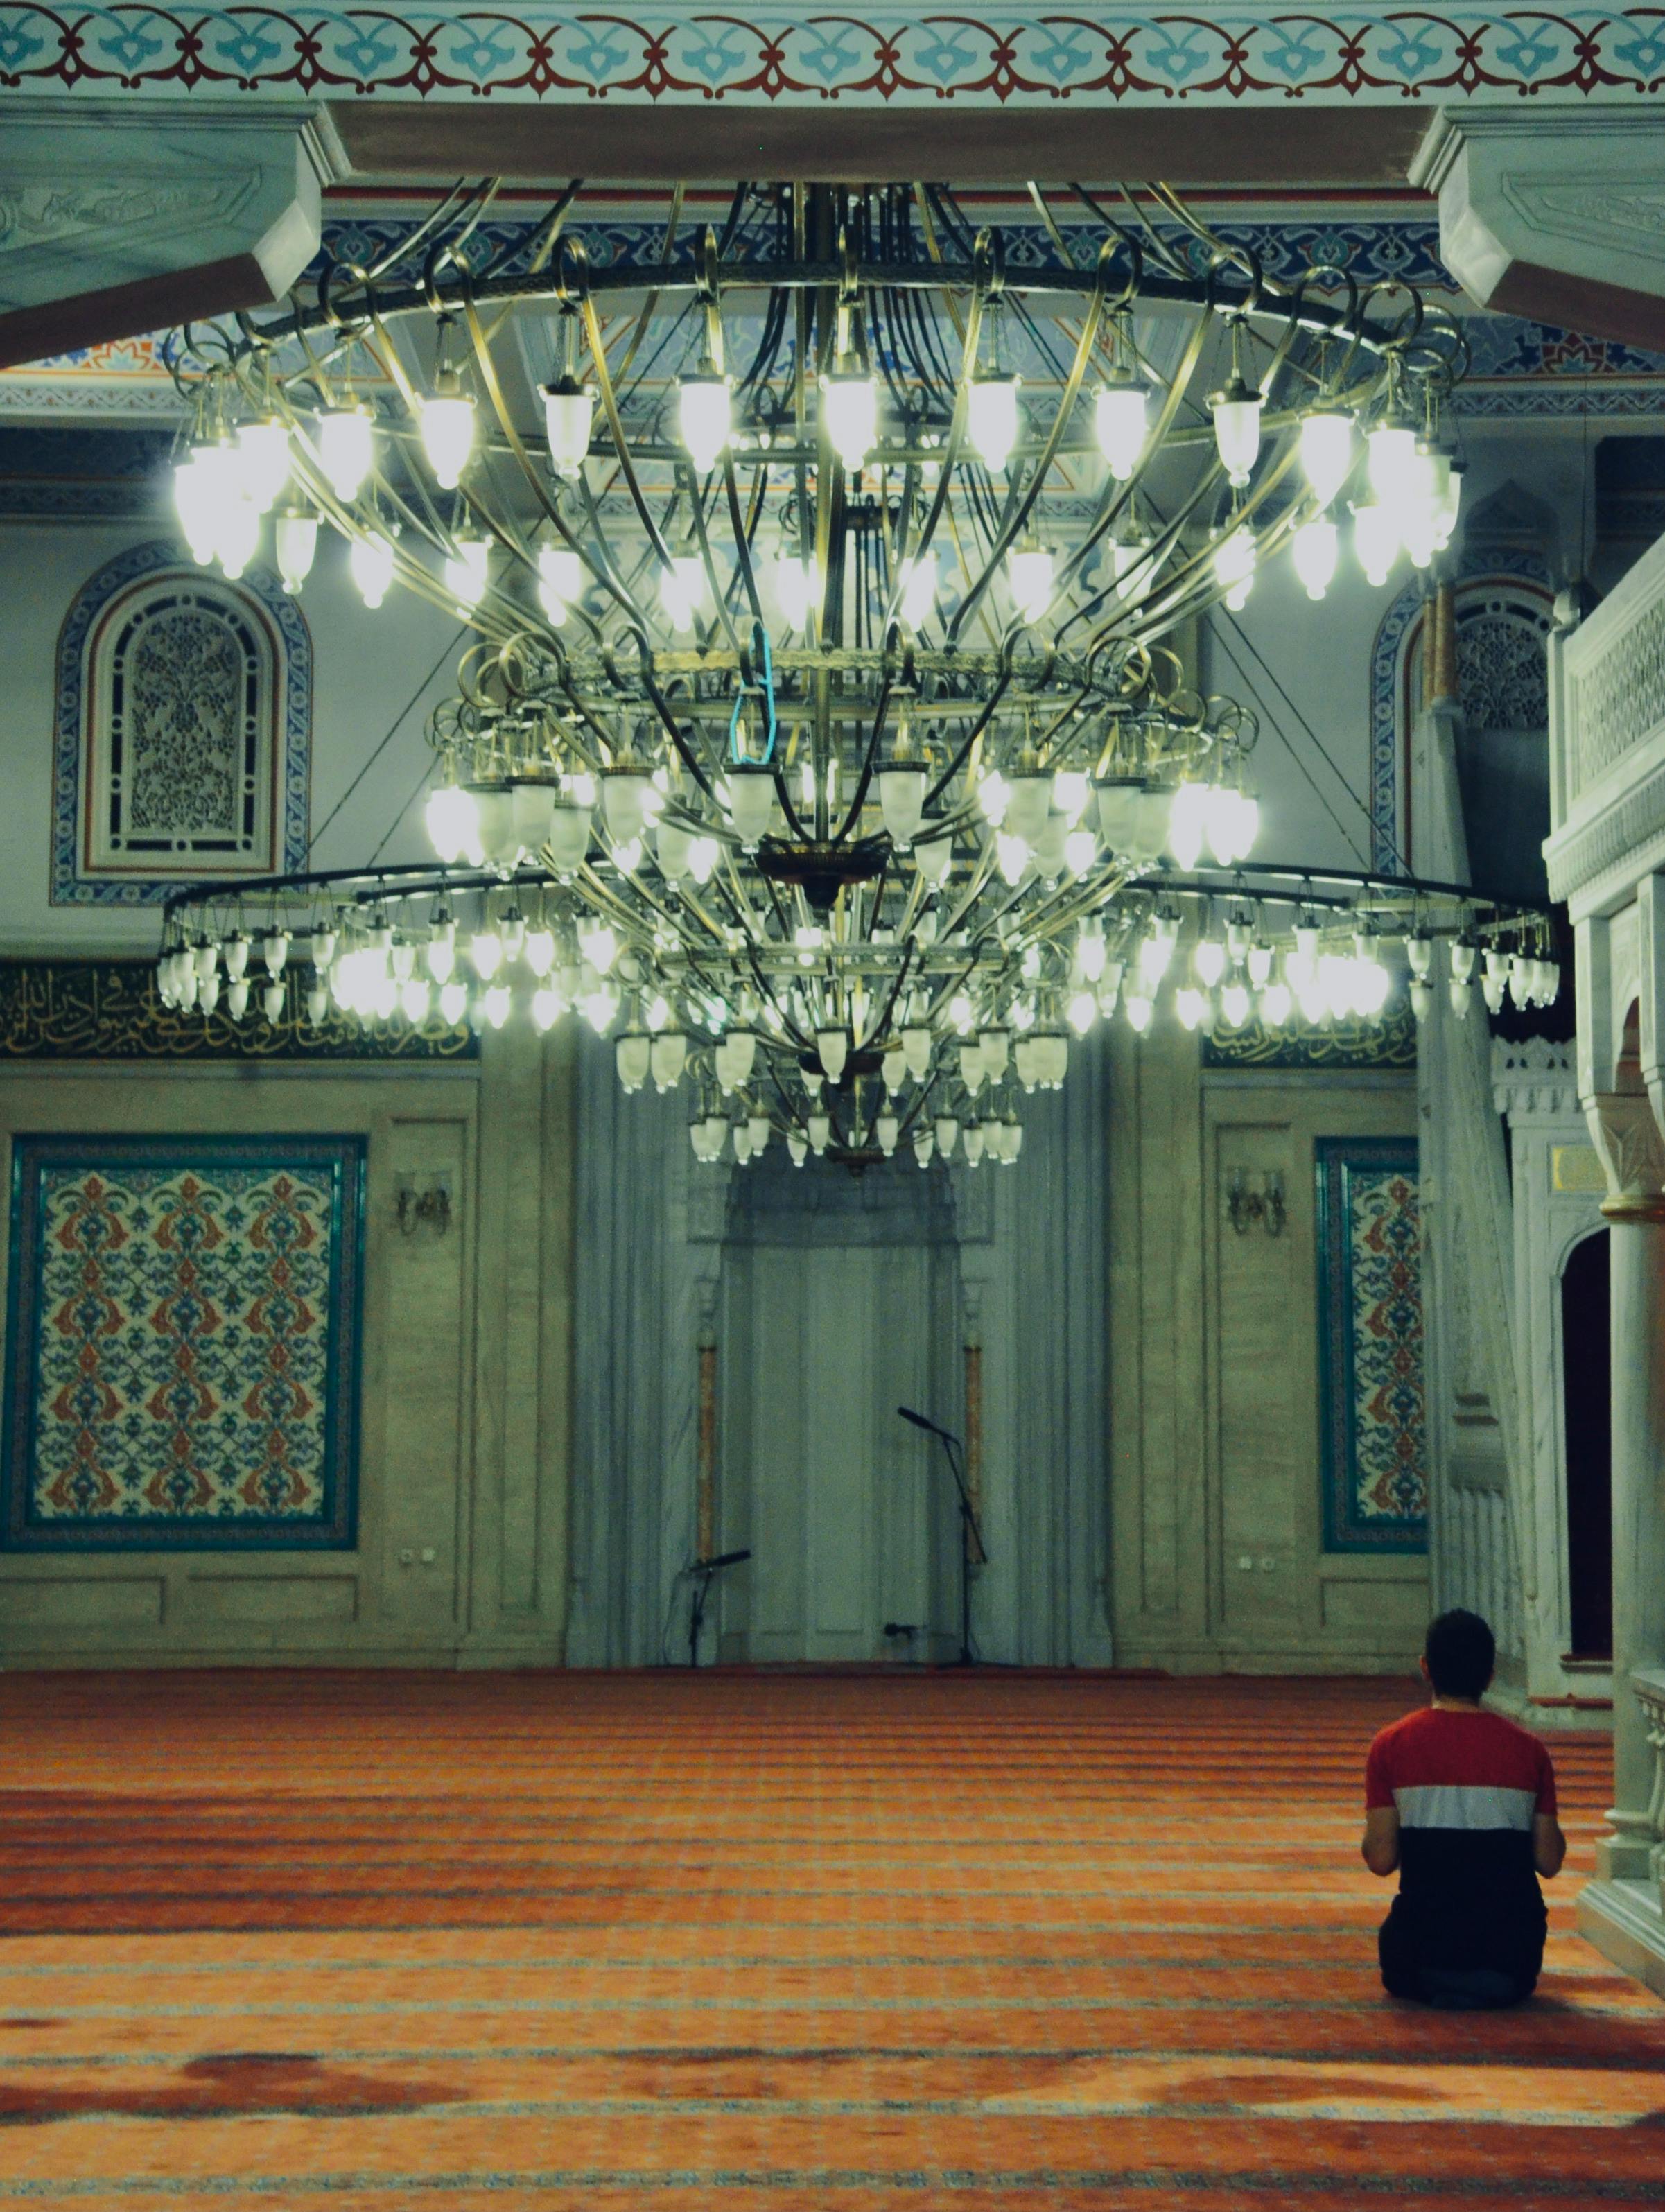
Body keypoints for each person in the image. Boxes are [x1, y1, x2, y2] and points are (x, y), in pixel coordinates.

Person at [1361, 1608, 1566, 2008]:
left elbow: (1380, 1860)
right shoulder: (1529, 1751)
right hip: (1511, 1963)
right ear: (1490, 1676)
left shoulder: (1391, 1746)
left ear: (1426, 1668)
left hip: (1420, 1960)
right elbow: (1550, 1861)